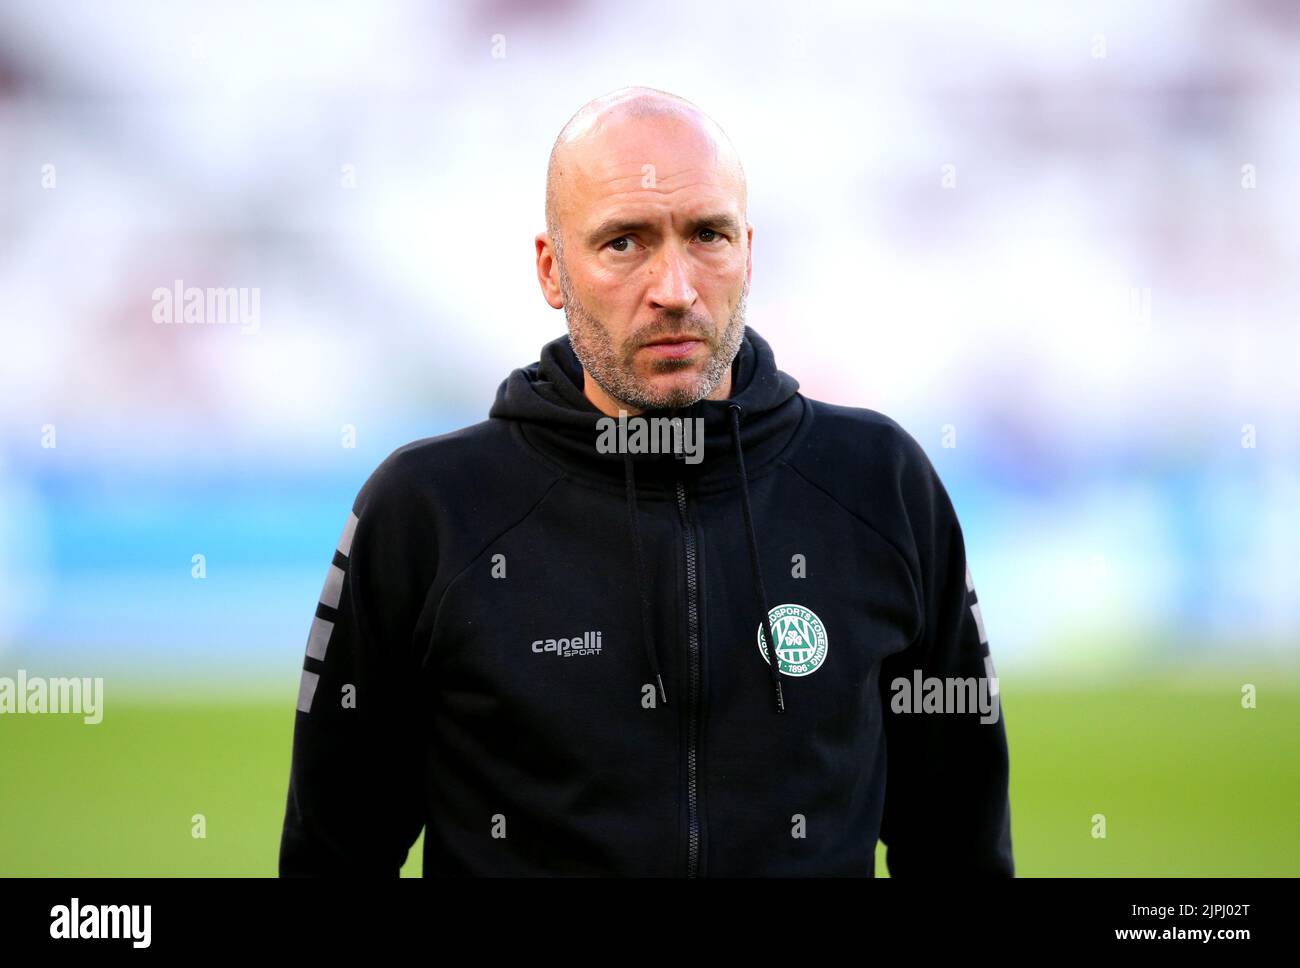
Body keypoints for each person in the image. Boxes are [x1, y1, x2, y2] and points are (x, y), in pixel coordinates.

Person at [278, 86, 1014, 877]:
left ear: (748, 253)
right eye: (624, 242)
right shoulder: (428, 510)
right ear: (552, 270)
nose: (675, 289)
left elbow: (960, 849)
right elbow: (333, 858)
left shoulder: (880, 483)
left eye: (707, 235)